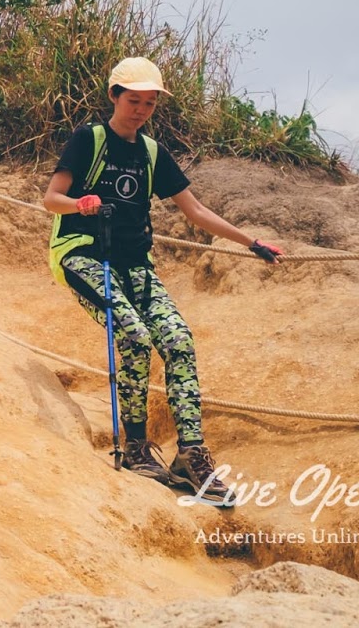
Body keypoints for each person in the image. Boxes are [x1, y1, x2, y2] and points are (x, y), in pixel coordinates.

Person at [42, 57, 284, 506]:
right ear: (114, 96)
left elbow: (196, 210)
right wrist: (81, 205)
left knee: (178, 340)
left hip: (136, 264)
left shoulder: (151, 152)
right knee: (134, 336)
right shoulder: (89, 139)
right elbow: (52, 198)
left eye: (150, 103)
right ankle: (136, 446)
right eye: (133, 100)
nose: (141, 111)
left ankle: (191, 455)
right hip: (82, 254)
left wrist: (251, 242)